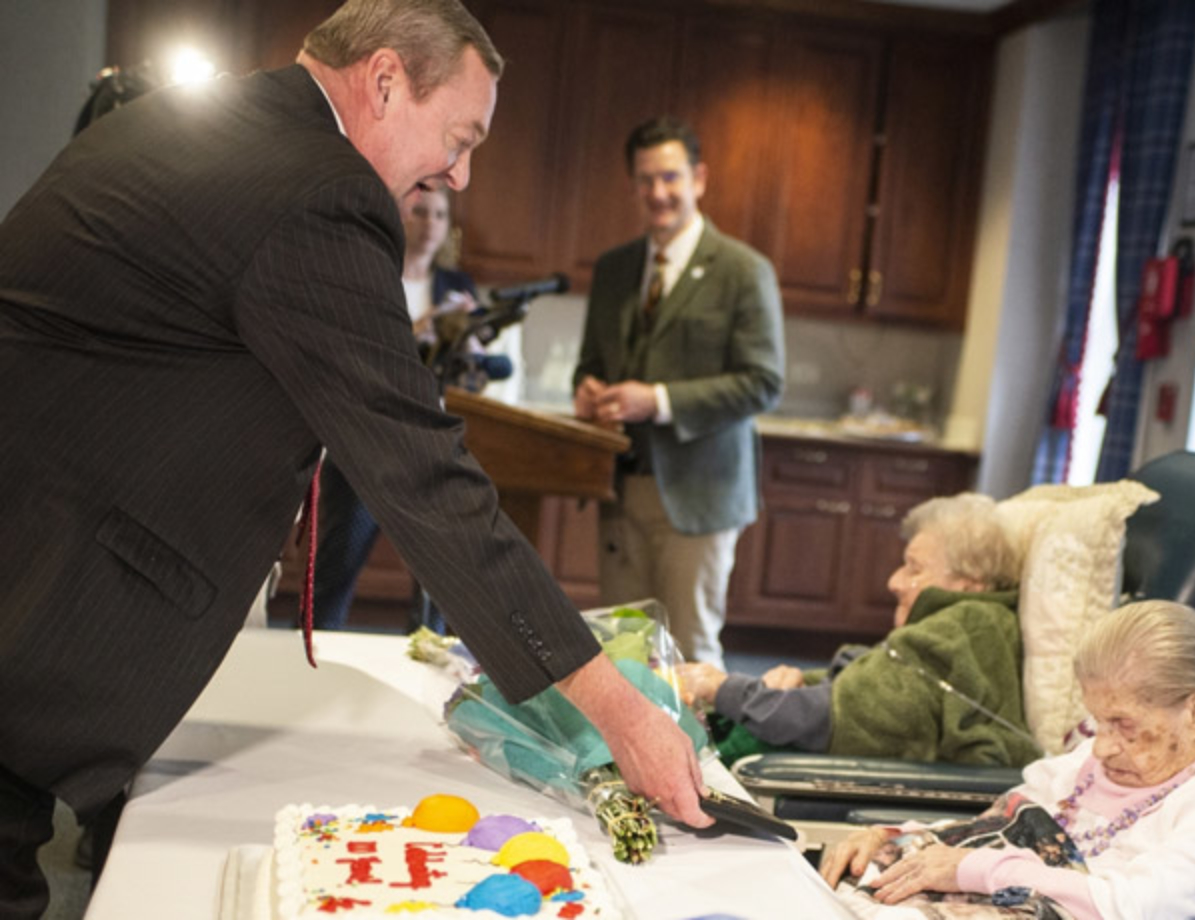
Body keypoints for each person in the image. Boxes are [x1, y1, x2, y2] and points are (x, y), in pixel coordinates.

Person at [0, 3, 708, 916]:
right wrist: (620, 709)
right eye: (460, 137)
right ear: (383, 81)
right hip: (36, 600)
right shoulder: (318, 191)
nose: (457, 173)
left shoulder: (195, 121)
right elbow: (424, 477)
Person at [820, 600, 1195, 919]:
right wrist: (899, 838)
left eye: (1123, 725)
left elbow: (1137, 907)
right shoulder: (1096, 756)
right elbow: (994, 830)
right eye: (1098, 721)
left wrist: (977, 869)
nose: (1101, 746)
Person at [572, 116, 785, 670]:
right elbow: (590, 364)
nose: (658, 193)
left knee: (689, 656)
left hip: (700, 495)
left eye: (670, 177)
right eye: (646, 180)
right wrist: (586, 393)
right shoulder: (614, 270)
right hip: (619, 490)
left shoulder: (743, 271)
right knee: (622, 653)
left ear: (699, 179)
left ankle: (694, 736)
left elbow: (763, 382)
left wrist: (658, 400)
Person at [677, 494, 1043, 767]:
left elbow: (829, 719)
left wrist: (720, 687)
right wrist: (804, 681)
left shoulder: (968, 626)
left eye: (914, 569)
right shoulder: (969, 625)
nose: (894, 581)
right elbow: (878, 695)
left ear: (970, 584)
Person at [313, 185, 520, 631]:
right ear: (404, 213)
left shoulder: (457, 286)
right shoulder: (373, 272)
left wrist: (468, 337)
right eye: (422, 212)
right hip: (366, 440)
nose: (430, 224)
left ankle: (425, 657)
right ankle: (317, 646)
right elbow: (351, 350)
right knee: (340, 563)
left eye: (440, 215)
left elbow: (481, 368)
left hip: (431, 444)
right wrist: (418, 328)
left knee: (439, 576)